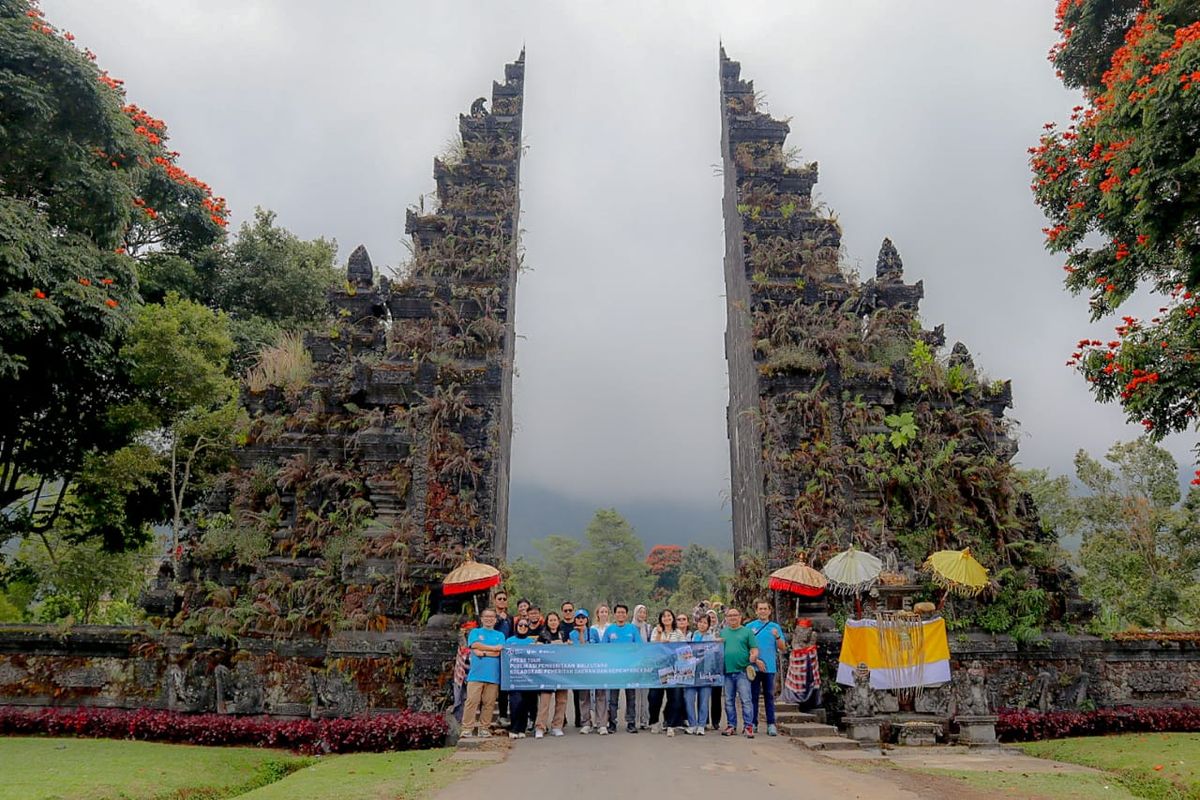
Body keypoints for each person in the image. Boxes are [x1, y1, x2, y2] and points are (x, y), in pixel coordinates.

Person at [461, 608, 505, 738]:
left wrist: (483, 651)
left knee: (489, 703)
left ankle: (484, 728)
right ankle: (467, 728)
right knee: (472, 701)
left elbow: (499, 651)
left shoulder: (500, 635)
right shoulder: (475, 632)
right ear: (481, 618)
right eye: (486, 616)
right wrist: (491, 649)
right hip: (476, 675)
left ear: (495, 619)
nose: (489, 619)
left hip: (492, 675)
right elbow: (474, 645)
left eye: (492, 616)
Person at [748, 598, 788, 736]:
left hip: (769, 667)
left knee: (769, 696)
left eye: (765, 609)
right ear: (756, 611)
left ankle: (771, 724)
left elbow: (783, 648)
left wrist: (777, 638)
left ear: (770, 611)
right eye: (760, 609)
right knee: (752, 696)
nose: (763, 611)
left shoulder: (775, 627)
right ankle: (753, 723)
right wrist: (755, 659)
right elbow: (745, 646)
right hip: (753, 667)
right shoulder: (749, 627)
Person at [718, 607, 760, 738]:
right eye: (730, 616)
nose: (732, 618)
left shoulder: (747, 632)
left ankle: (748, 726)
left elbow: (754, 649)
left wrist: (753, 656)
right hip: (727, 672)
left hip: (742, 671)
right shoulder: (723, 633)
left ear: (740, 617)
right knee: (728, 700)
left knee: (746, 700)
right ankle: (731, 725)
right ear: (726, 618)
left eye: (735, 615)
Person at [601, 603, 641, 733]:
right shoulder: (610, 629)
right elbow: (603, 649)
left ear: (627, 614)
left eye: (623, 612)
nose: (621, 614)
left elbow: (639, 647)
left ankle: (631, 723)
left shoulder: (633, 629)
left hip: (630, 669)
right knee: (612, 699)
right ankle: (612, 723)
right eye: (618, 612)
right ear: (614, 614)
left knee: (631, 698)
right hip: (614, 670)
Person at [569, 609, 609, 735]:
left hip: (596, 667)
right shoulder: (572, 634)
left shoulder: (594, 631)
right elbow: (580, 649)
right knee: (584, 696)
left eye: (583, 617)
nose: (580, 620)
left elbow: (600, 648)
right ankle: (586, 723)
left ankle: (601, 723)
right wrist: (581, 633)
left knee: (600, 695)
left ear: (587, 619)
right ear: (575, 620)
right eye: (578, 617)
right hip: (582, 668)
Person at [648, 608, 685, 736]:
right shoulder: (656, 630)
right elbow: (652, 647)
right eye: (664, 616)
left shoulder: (678, 632)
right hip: (658, 668)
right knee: (654, 697)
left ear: (672, 618)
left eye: (669, 616)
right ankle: (654, 722)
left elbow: (684, 648)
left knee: (674, 697)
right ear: (660, 619)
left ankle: (670, 724)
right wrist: (660, 636)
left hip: (673, 668)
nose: (666, 618)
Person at [535, 611, 569, 738]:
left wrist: (566, 644)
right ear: (547, 622)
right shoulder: (542, 634)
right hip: (547, 673)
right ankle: (540, 727)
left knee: (562, 700)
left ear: (558, 621)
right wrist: (553, 644)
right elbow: (537, 648)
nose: (553, 622)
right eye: (551, 620)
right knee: (544, 702)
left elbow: (569, 648)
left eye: (555, 620)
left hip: (562, 671)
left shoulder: (564, 634)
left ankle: (557, 726)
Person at [684, 612, 717, 735]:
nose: (702, 625)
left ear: (708, 625)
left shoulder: (712, 638)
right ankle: (692, 724)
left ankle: (701, 725)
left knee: (704, 700)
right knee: (689, 699)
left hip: (706, 672)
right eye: (700, 622)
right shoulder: (691, 636)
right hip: (691, 673)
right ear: (696, 623)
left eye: (705, 623)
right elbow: (685, 651)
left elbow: (713, 656)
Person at [505, 617, 538, 738]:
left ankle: (522, 729)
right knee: (515, 702)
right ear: (516, 627)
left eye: (525, 626)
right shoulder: (509, 641)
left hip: (528, 678)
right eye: (520, 625)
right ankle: (514, 728)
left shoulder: (531, 642)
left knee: (526, 703)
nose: (523, 627)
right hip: (514, 677)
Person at [493, 590, 513, 724]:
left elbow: (512, 634)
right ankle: (501, 714)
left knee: (506, 685)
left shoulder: (510, 618)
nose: (502, 601)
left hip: (506, 654)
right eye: (499, 599)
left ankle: (505, 715)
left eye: (504, 599)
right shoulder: (490, 616)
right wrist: (499, 618)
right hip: (493, 653)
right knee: (496, 685)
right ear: (495, 601)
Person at [631, 604, 652, 729]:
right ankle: (635, 719)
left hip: (646, 663)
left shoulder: (648, 628)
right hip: (634, 664)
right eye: (640, 612)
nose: (642, 615)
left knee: (645, 692)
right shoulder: (630, 627)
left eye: (644, 612)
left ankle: (645, 719)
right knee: (634, 693)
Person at [707, 609, 723, 730]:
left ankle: (716, 720)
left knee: (716, 695)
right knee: (704, 695)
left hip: (717, 667)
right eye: (709, 617)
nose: (711, 620)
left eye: (713, 617)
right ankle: (705, 720)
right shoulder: (701, 632)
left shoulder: (721, 631)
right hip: (704, 667)